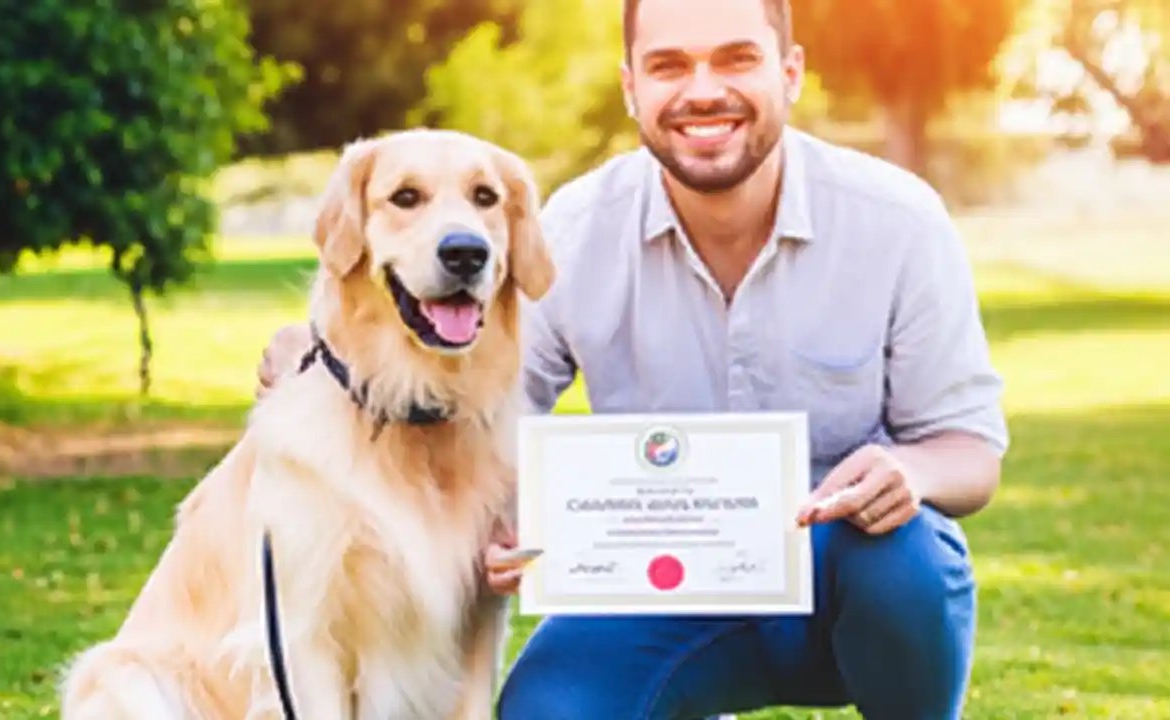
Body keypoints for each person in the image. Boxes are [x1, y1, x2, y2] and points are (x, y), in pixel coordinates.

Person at [256, 0, 1009, 716]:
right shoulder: (577, 231)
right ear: (631, 86)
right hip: (657, 595)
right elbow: (468, 401)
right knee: (545, 712)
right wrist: (326, 366)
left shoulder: (898, 222)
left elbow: (969, 451)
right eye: (670, 66)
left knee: (909, 559)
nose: (703, 91)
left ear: (789, 71)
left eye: (737, 59)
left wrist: (910, 471)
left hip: (856, 585)